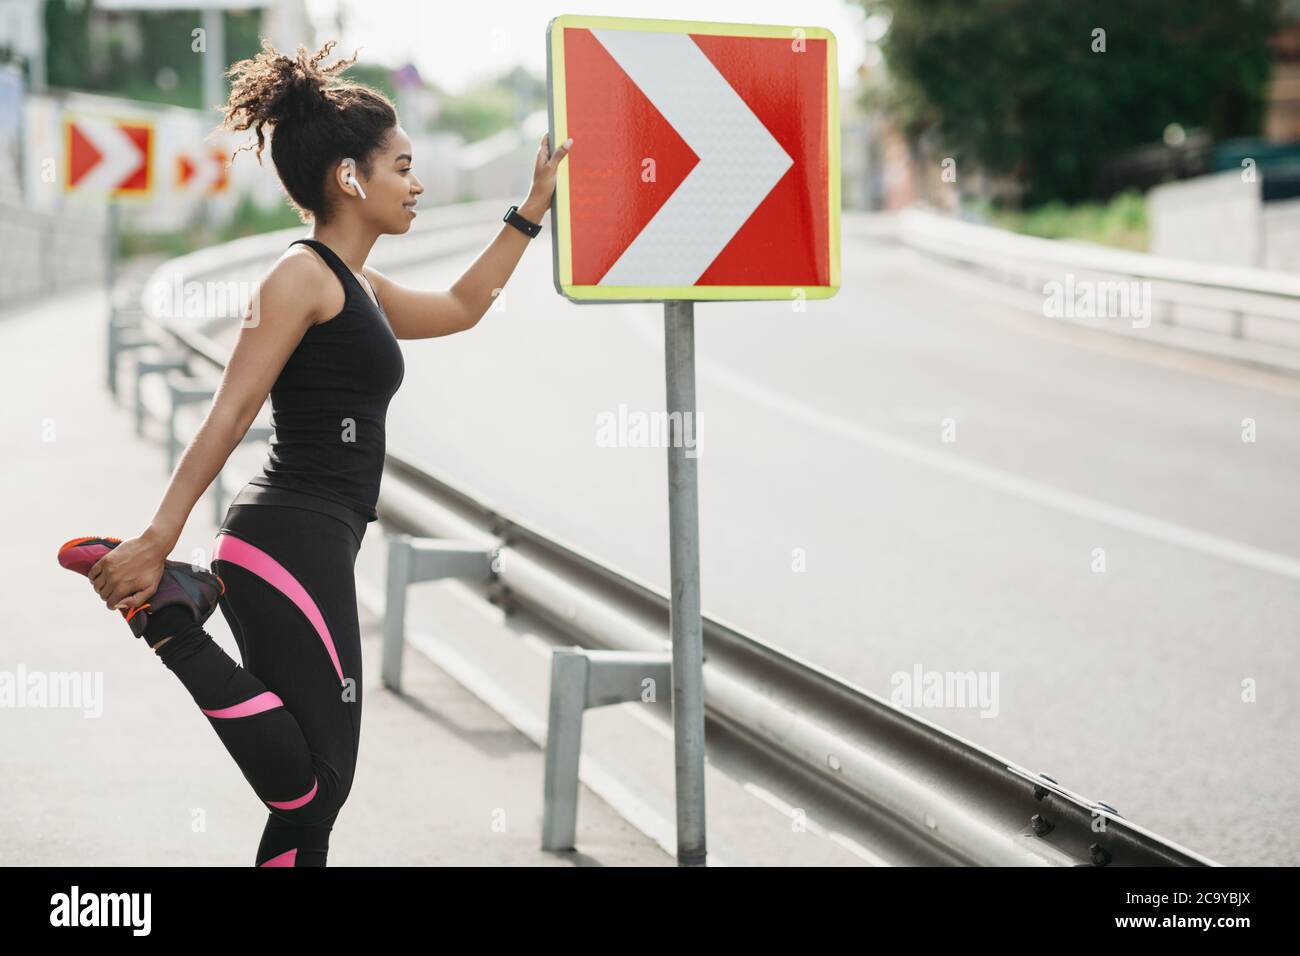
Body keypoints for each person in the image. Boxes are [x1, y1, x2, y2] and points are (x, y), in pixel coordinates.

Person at [55, 38, 572, 867]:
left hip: (315, 537)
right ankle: (171, 622)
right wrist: (156, 537)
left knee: (310, 810)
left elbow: (467, 304)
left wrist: (532, 207)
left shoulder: (357, 284)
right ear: (349, 177)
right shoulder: (299, 276)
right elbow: (228, 417)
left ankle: (182, 599)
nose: (419, 183)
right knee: (314, 785)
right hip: (285, 536)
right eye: (403, 166)